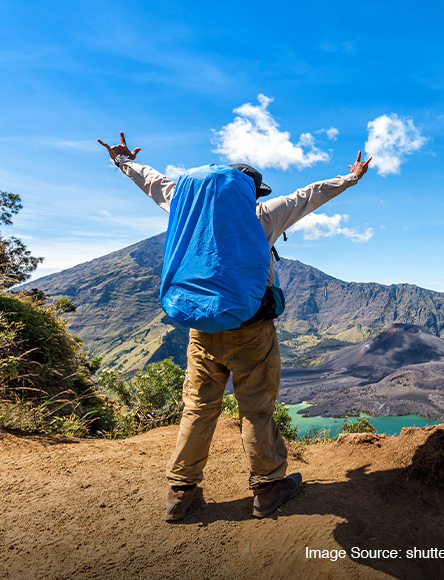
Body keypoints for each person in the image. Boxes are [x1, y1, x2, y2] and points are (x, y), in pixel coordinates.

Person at [98, 131, 371, 521]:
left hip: (200, 327)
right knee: (256, 408)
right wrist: (352, 177)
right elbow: (310, 194)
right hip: (250, 329)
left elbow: (152, 182)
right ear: (250, 192)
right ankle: (268, 487)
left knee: (197, 407)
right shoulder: (262, 216)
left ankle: (180, 492)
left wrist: (123, 162)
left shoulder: (183, 206)